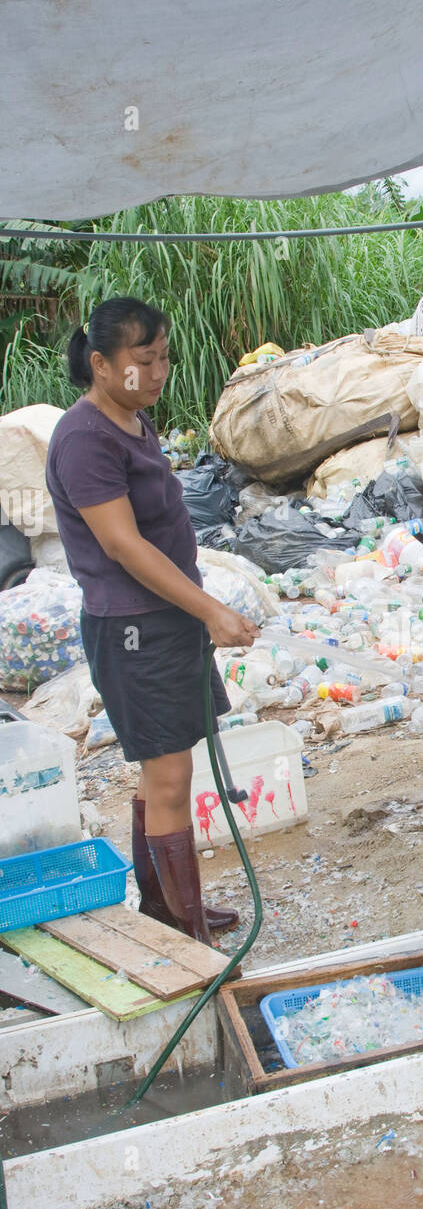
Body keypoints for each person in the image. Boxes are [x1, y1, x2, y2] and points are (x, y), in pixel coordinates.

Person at [46, 297, 260, 946]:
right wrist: (212, 609)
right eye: (145, 361)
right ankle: (189, 935)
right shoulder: (85, 437)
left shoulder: (132, 423)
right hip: (134, 629)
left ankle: (165, 909)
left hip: (166, 621)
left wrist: (200, 608)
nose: (159, 372)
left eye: (164, 358)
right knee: (169, 778)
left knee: (163, 769)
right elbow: (123, 545)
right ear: (103, 363)